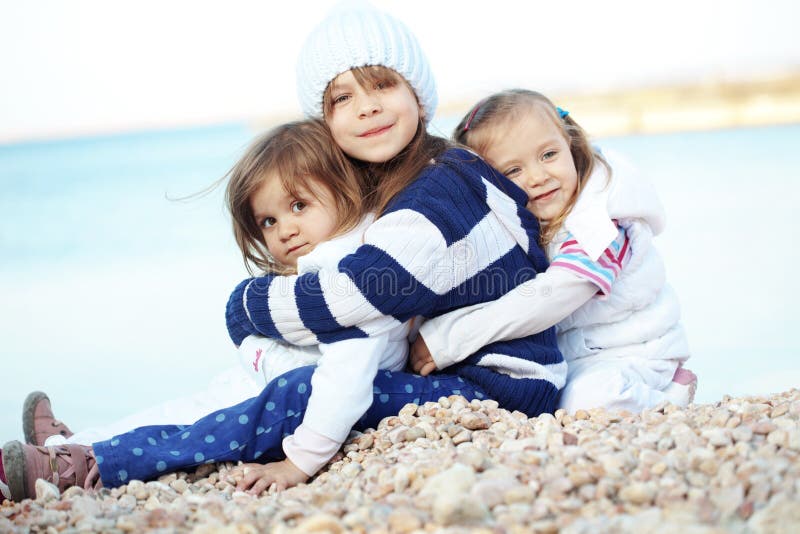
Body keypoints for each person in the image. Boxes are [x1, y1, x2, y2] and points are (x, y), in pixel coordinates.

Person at [2, 5, 564, 498]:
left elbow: (358, 296)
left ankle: (97, 465)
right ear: (326, 121)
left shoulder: (440, 189)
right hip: (451, 365)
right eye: (342, 97)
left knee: (299, 388)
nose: (366, 108)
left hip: (498, 385)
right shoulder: (402, 180)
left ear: (418, 92)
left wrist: (249, 306)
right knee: (240, 383)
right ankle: (85, 440)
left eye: (383, 85)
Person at [409, 89, 696, 414]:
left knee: (589, 401)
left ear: (570, 145)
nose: (537, 177)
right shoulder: (521, 222)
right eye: (513, 171)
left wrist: (448, 339)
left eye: (548, 155)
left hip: (638, 352)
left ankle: (670, 403)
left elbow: (555, 295)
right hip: (578, 356)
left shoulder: (603, 221)